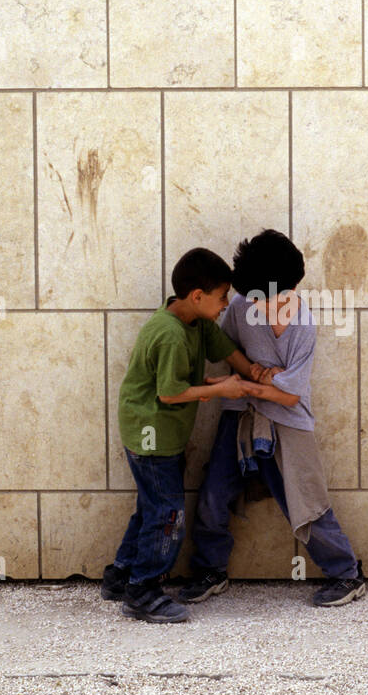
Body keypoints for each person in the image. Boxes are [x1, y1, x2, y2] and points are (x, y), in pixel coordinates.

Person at [180, 229, 365, 608]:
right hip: (239, 417)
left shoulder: (303, 326)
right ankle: (209, 569)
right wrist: (249, 373)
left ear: (286, 292)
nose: (250, 304)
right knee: (214, 494)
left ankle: (346, 574)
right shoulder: (242, 305)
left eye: (260, 299)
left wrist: (250, 385)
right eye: (248, 298)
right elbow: (225, 349)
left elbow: (291, 394)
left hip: (289, 422)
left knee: (304, 498)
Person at [102, 248, 266, 623]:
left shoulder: (196, 321)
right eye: (223, 296)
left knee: (151, 507)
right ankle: (143, 591)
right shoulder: (172, 335)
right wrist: (220, 390)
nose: (227, 304)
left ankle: (121, 575)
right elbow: (169, 393)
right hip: (152, 438)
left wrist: (253, 373)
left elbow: (227, 351)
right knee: (168, 517)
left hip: (159, 435)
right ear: (197, 296)